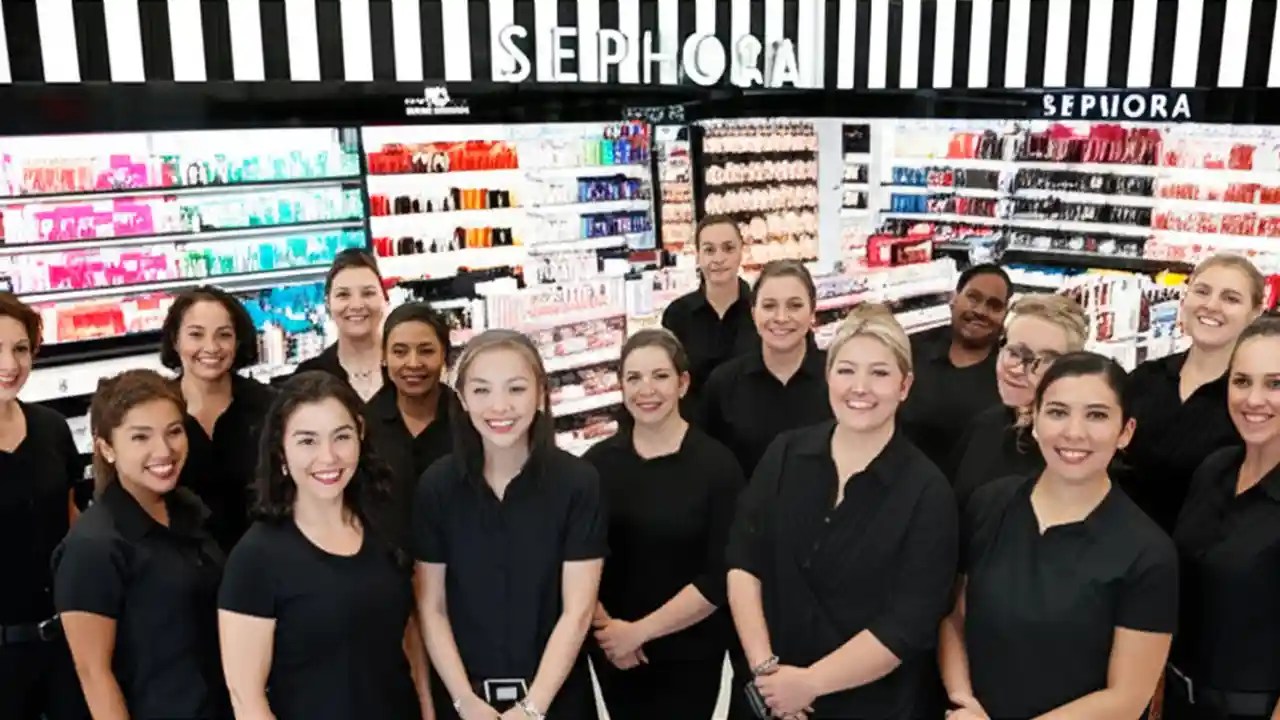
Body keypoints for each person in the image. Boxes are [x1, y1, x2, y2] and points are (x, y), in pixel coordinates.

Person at [726, 305, 959, 719]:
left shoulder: (928, 493)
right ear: (829, 375)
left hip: (866, 704)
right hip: (768, 696)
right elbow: (744, 561)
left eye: (880, 373)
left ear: (905, 386)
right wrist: (768, 674)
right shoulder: (784, 453)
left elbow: (907, 624)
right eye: (846, 370)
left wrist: (809, 684)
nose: (860, 387)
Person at [939, 351, 1179, 720]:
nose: (1074, 432)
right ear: (1034, 420)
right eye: (1057, 411)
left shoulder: (1148, 553)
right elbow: (956, 619)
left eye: (1096, 415)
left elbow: (1127, 698)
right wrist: (962, 700)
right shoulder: (990, 505)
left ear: (1126, 432)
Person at [412, 330, 606, 719]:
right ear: (462, 398)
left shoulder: (577, 483)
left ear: (540, 393)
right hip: (465, 700)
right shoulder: (438, 486)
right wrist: (464, 699)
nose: (499, 407)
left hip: (556, 699)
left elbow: (578, 611)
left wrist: (532, 708)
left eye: (515, 389)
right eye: (482, 391)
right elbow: (431, 607)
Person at [218, 371, 427, 720]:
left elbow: (408, 640)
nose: (328, 457)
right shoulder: (256, 558)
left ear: (360, 435)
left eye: (340, 437)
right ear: (280, 451)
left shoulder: (384, 527)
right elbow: (246, 697)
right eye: (307, 441)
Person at [583, 329, 746, 719]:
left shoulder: (717, 466)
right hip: (613, 649)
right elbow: (576, 558)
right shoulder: (595, 466)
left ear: (683, 383)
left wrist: (638, 633)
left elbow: (720, 573)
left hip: (690, 651)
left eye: (660, 376)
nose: (646, 390)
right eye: (634, 378)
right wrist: (608, 632)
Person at [52, 369, 230, 720]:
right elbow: (94, 675)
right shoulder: (93, 547)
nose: (163, 450)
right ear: (107, 448)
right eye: (140, 438)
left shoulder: (188, 511)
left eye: (174, 432)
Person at [1165, 316, 1280, 720]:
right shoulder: (1214, 469)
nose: (1254, 399)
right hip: (1179, 697)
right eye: (1242, 381)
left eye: (1275, 384)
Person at [1125, 254, 1266, 533]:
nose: (1211, 306)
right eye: (1202, 291)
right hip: (1121, 554)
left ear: (1256, 312)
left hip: (1201, 563)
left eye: (1231, 298)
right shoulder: (1144, 379)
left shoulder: (1257, 403)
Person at [0, 292, 87, 720]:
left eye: (20, 349)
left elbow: (72, 524)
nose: (10, 365)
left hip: (63, 645)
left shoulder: (50, 428)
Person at [162, 285, 276, 552]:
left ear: (238, 341)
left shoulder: (271, 407)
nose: (211, 347)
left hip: (261, 564)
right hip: (179, 568)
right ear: (175, 340)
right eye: (196, 335)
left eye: (223, 335)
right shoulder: (157, 411)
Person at [951, 293, 1090, 505]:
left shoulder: (1074, 453)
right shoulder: (984, 425)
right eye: (1015, 353)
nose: (1018, 369)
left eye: (1043, 360)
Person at [701, 259, 832, 477]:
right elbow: (710, 469)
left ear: (812, 312)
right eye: (769, 306)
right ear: (753, 313)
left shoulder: (839, 379)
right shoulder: (723, 384)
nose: (781, 318)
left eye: (794, 306)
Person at [898, 263, 1011, 472]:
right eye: (973, 298)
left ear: (1005, 315)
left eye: (994, 306)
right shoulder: (911, 350)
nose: (980, 311)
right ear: (954, 298)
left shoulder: (1009, 374)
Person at [363, 302, 455, 547]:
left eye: (426, 351)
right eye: (400, 352)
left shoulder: (470, 422)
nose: (413, 363)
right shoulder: (363, 425)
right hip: (387, 571)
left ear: (444, 354)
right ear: (383, 356)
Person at [661, 215, 758, 415]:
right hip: (695, 435)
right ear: (697, 256)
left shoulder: (762, 310)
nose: (719, 258)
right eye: (709, 250)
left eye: (728, 248)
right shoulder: (678, 315)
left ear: (743, 251)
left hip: (754, 432)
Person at [296, 248, 389, 401]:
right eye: (343, 295)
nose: (357, 305)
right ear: (328, 304)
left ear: (385, 298)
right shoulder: (309, 377)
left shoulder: (407, 366)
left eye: (368, 293)